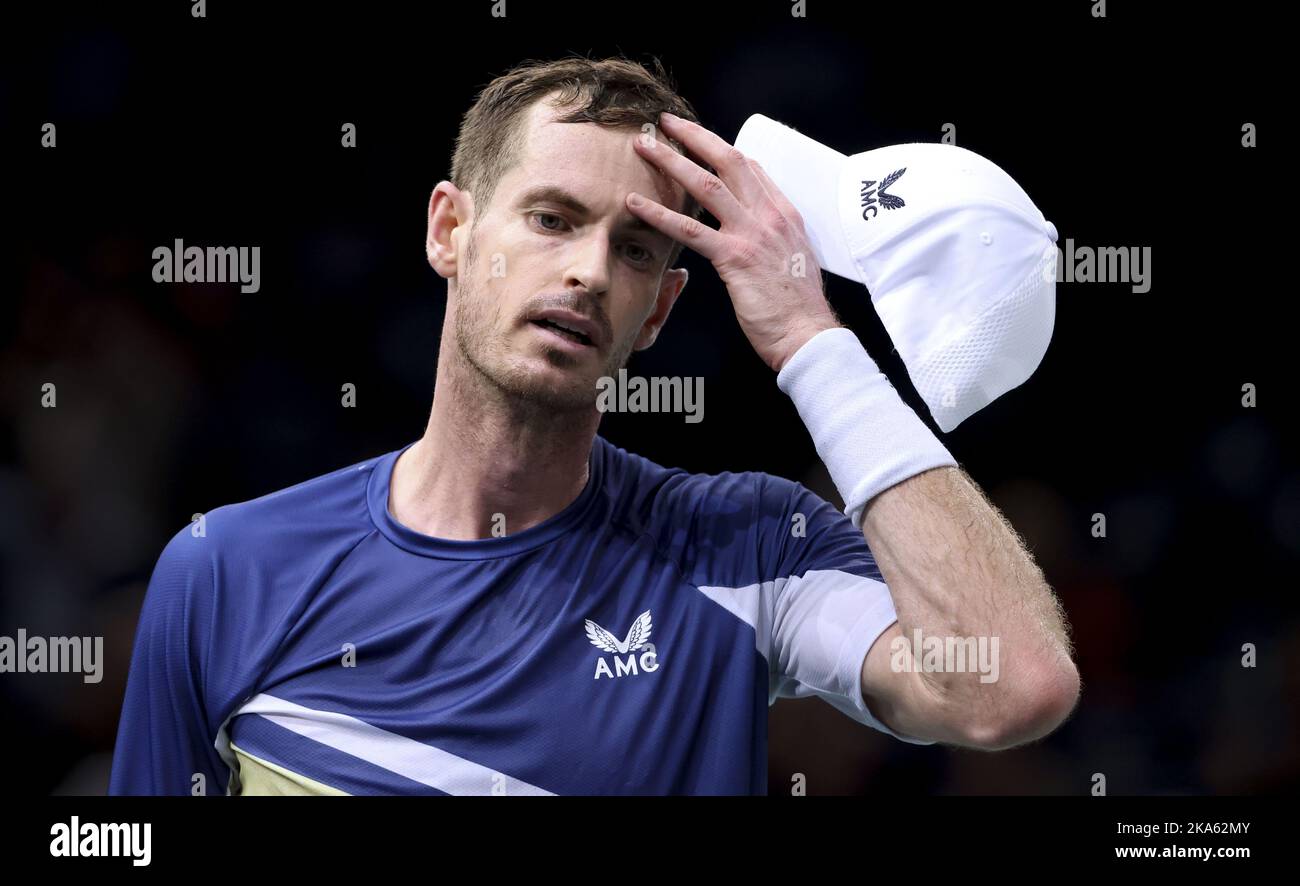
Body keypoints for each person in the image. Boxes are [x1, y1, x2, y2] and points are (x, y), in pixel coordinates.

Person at [109, 55, 1079, 796]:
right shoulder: (226, 570)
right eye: (550, 219)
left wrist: (808, 339)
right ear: (450, 229)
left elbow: (1013, 684)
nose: (586, 271)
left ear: (656, 310)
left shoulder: (743, 548)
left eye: (634, 248)